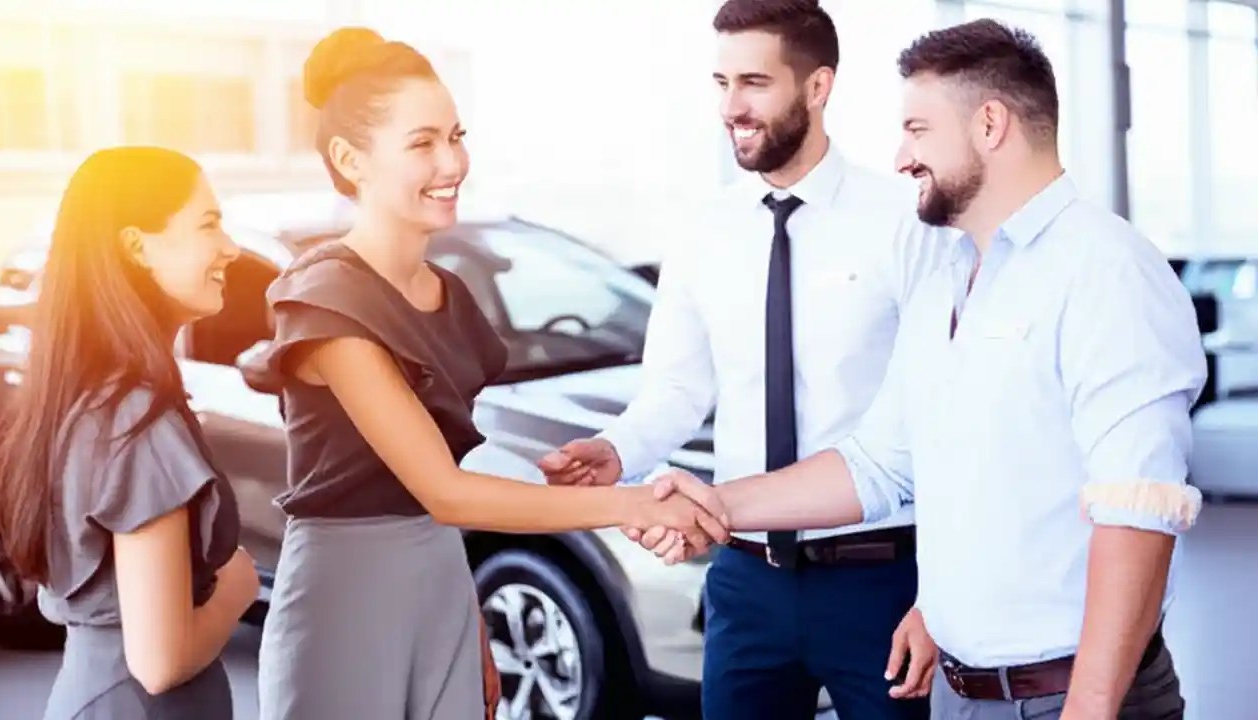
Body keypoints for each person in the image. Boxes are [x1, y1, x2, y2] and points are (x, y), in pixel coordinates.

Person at [644, 18, 1203, 720]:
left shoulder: (1107, 272)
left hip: (1072, 698)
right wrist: (717, 504)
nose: (902, 156)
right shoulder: (946, 276)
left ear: (990, 125)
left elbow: (1137, 516)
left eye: (918, 129)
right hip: (963, 695)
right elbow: (879, 465)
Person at [248, 27, 730, 720]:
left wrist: (469, 615)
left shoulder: (450, 294)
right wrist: (632, 503)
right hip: (346, 596)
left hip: (442, 579)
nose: (452, 161)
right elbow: (445, 490)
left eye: (456, 135)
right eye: (422, 143)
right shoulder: (328, 297)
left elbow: (442, 511)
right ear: (352, 160)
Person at [538, 1, 950, 717]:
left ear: (818, 88)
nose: (732, 107)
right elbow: (675, 388)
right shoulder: (703, 230)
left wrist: (940, 593)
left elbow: (939, 424)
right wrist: (615, 449)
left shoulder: (906, 224)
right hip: (744, 578)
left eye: (754, 82)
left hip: (880, 576)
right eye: (721, 83)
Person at [0, 146, 260, 719]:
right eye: (208, 224)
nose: (231, 248)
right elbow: (160, 661)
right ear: (137, 246)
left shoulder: (93, 398)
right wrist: (238, 585)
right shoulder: (134, 419)